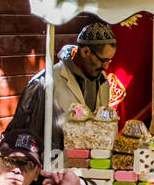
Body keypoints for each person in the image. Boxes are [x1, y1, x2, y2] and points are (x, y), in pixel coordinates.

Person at [10, 21, 117, 154]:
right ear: (85, 51)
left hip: (93, 164)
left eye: (109, 60)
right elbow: (25, 135)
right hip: (55, 166)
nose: (106, 66)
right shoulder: (45, 82)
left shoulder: (102, 79)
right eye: (103, 60)